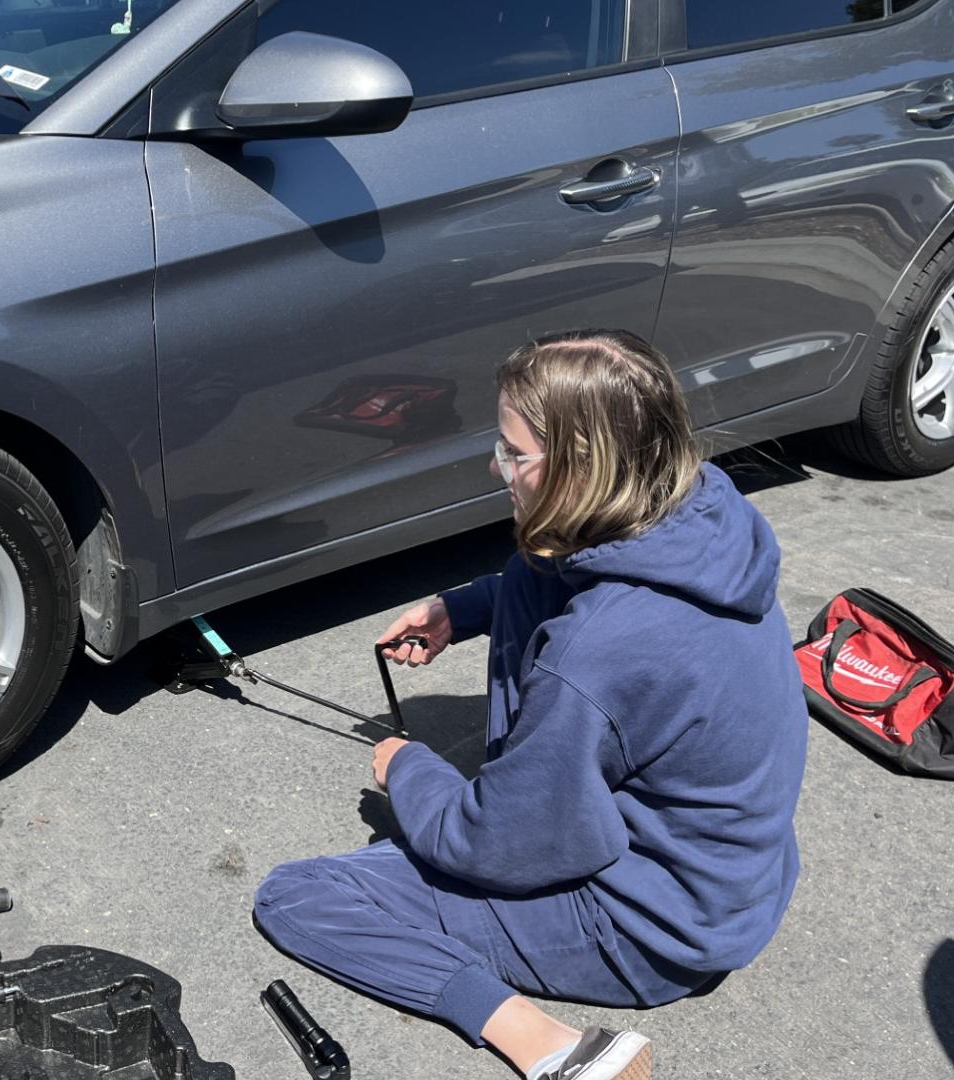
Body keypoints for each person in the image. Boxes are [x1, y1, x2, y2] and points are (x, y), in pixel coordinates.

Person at [254, 331, 808, 1080]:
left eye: (515, 454)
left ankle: (550, 1045)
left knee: (300, 896)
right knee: (536, 564)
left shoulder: (599, 654)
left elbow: (495, 845)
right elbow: (555, 570)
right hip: (736, 881)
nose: (497, 466)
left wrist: (410, 771)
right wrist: (467, 607)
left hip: (652, 930)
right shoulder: (701, 511)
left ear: (584, 466)